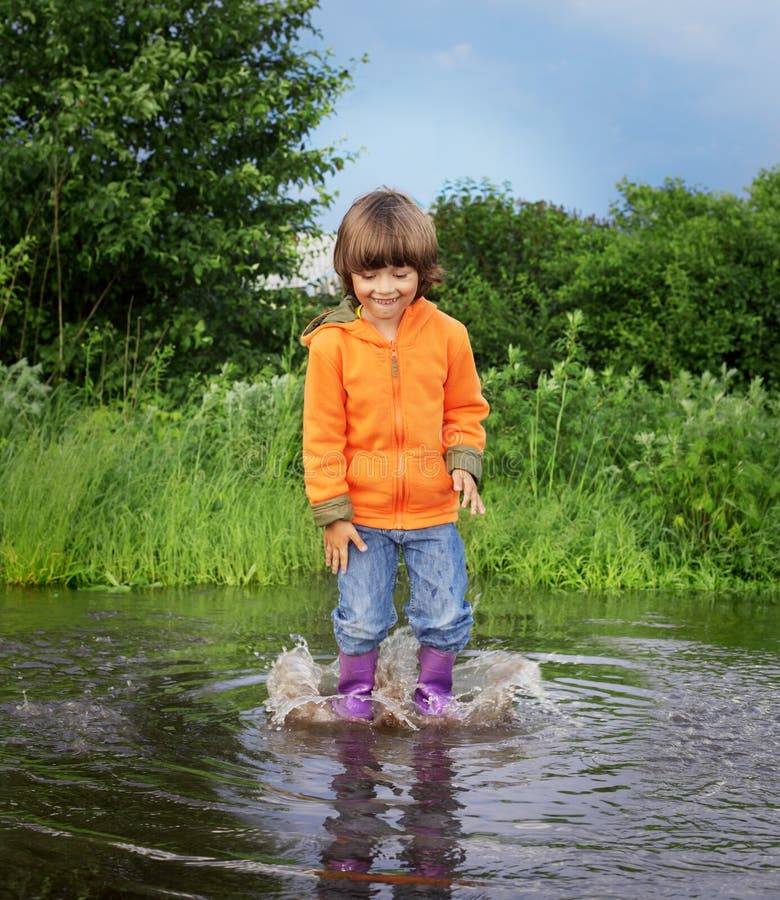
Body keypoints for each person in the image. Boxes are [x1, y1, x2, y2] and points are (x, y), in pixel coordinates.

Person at [301, 187, 489, 720]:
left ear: (423, 271)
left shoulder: (450, 335)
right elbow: (321, 437)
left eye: (400, 273)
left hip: (433, 512)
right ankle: (355, 702)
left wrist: (463, 463)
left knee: (447, 614)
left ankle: (435, 699)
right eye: (370, 275)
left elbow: (465, 411)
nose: (385, 288)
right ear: (349, 273)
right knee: (361, 618)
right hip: (362, 517)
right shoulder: (332, 344)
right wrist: (332, 514)